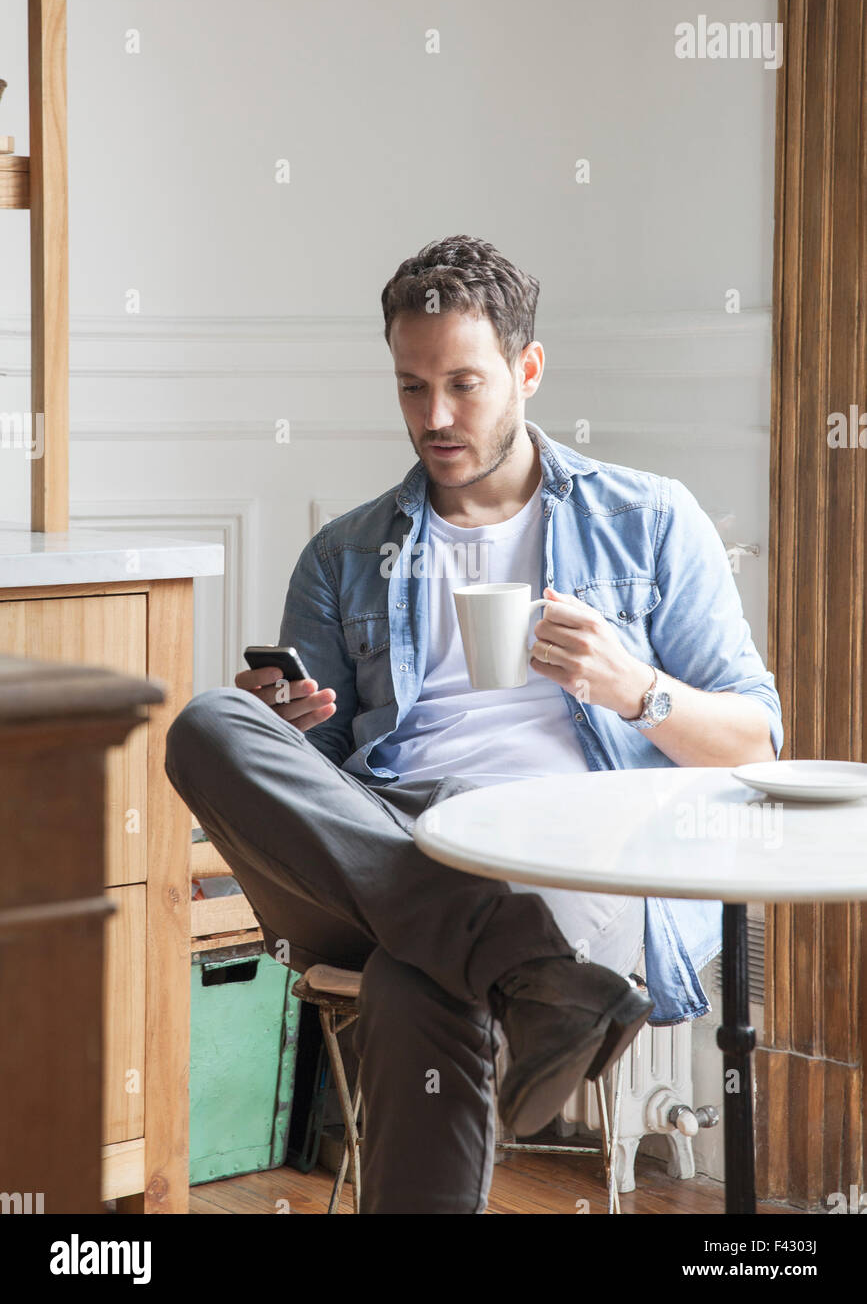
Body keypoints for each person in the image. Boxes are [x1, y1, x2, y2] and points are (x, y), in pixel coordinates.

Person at [165, 235, 783, 1214]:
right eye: (412, 388)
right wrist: (283, 725)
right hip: (398, 847)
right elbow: (319, 792)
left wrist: (637, 689)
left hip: (572, 859)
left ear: (529, 370)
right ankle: (531, 973)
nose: (436, 417)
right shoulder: (345, 554)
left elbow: (758, 742)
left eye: (464, 383)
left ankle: (509, 957)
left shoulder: (650, 520)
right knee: (206, 724)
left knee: (418, 984)